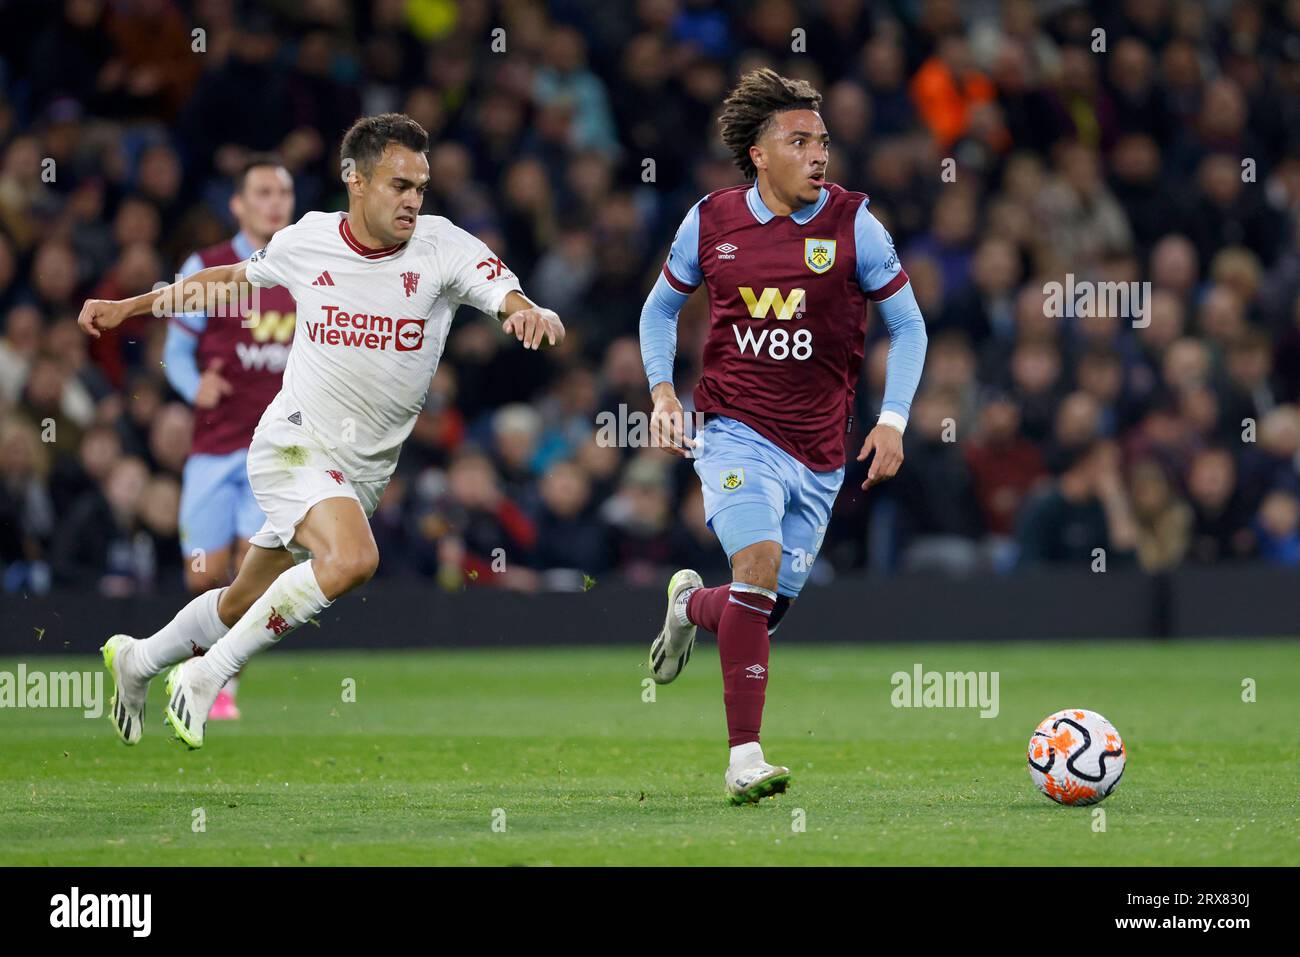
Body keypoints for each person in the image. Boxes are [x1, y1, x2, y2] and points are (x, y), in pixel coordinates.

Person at [78, 113, 564, 749]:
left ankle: (138, 661)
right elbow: (225, 284)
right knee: (355, 559)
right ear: (355, 182)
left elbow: (504, 292)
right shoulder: (306, 240)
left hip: (360, 472)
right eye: (398, 185)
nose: (413, 200)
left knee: (238, 603)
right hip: (292, 443)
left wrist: (530, 312)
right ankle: (209, 675)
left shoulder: (444, 247)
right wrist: (132, 307)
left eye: (420, 186)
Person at [638, 69, 927, 803]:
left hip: (822, 450)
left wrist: (892, 419)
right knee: (758, 564)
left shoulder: (855, 224)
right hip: (735, 431)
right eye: (799, 141)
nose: (818, 154)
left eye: (822, 141)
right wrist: (664, 393)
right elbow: (658, 311)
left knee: (762, 605)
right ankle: (744, 758)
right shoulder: (710, 221)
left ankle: (687, 607)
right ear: (760, 154)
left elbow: (910, 326)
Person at [162, 155, 296, 720]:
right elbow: (174, 350)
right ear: (238, 204)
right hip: (213, 447)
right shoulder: (210, 265)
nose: (274, 202)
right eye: (262, 192)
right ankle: (193, 664)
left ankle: (222, 686)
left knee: (254, 571)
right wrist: (196, 388)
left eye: (283, 193)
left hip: (277, 449)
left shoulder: (306, 266)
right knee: (204, 571)